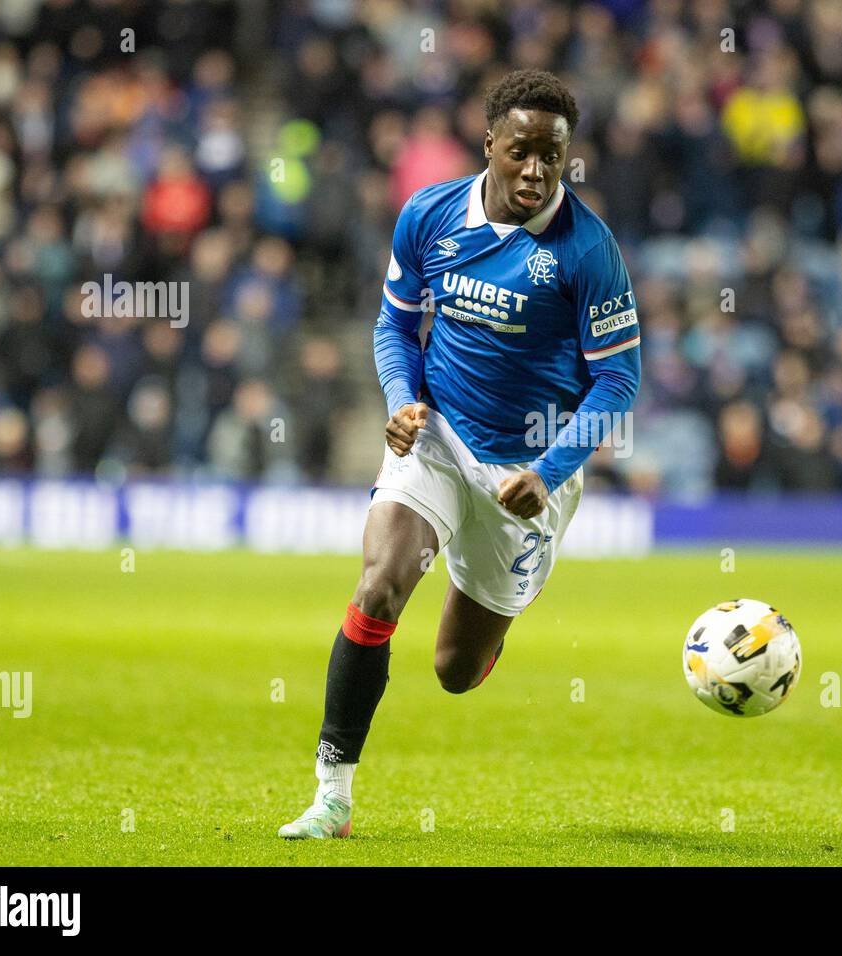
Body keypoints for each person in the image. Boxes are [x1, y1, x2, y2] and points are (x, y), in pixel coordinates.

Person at [279, 69, 641, 838]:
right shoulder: (429, 215)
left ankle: (493, 624)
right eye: (521, 151)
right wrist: (400, 400)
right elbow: (393, 326)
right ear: (489, 145)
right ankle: (331, 796)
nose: (537, 171)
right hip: (439, 437)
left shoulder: (588, 250)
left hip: (528, 470)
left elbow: (617, 381)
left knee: (453, 672)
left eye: (553, 155)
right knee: (379, 583)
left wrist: (546, 474)